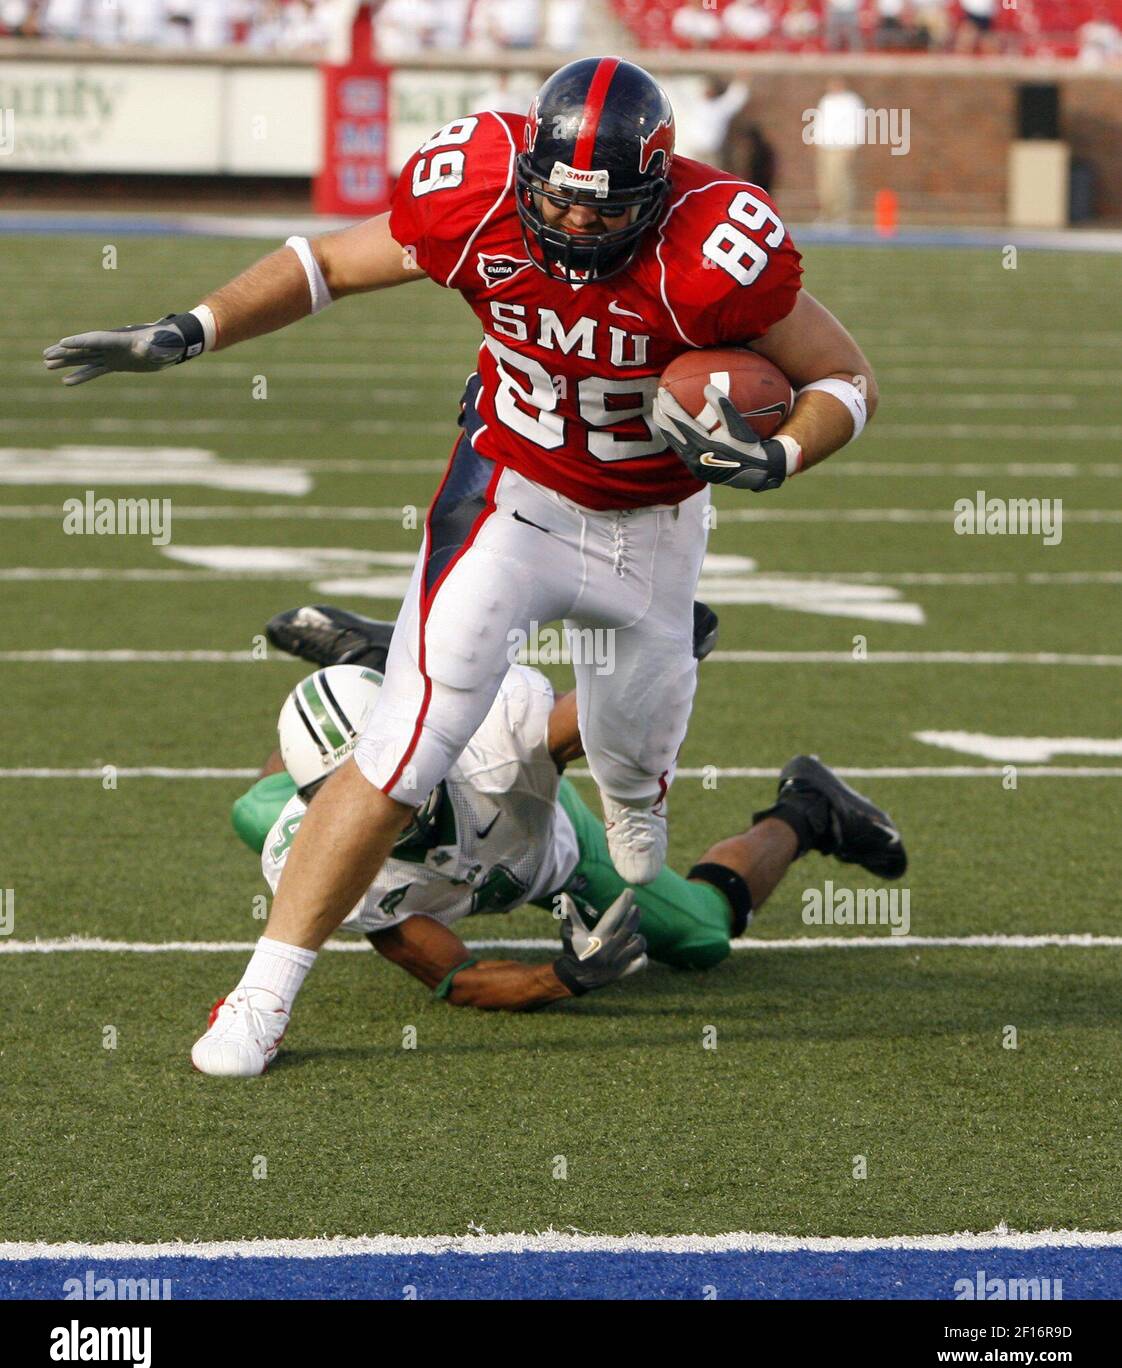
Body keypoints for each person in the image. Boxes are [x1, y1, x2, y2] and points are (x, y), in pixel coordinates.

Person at [43, 58, 879, 1077]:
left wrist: (781, 451)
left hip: (654, 526)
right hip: (511, 497)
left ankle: (633, 793)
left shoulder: (717, 247)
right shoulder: (472, 194)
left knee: (631, 777)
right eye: (556, 202)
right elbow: (327, 265)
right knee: (407, 743)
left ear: (655, 192)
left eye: (600, 208)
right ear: (523, 172)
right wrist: (190, 328)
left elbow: (841, 374)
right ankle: (262, 995)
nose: (573, 227)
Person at [195, 601, 907, 1072]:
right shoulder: (317, 852)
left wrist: (650, 666)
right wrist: (562, 978)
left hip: (549, 847)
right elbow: (456, 977)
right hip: (413, 844)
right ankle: (371, 664)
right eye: (333, 798)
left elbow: (589, 719)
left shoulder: (496, 746)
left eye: (371, 775)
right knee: (252, 814)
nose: (375, 807)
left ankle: (808, 807)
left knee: (700, 937)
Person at [809, 77, 865, 224]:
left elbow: (857, 124)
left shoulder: (852, 102)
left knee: (840, 181)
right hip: (825, 147)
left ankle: (841, 215)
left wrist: (852, 146)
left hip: (841, 147)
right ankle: (827, 213)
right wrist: (816, 141)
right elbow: (820, 122)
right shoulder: (826, 100)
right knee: (824, 183)